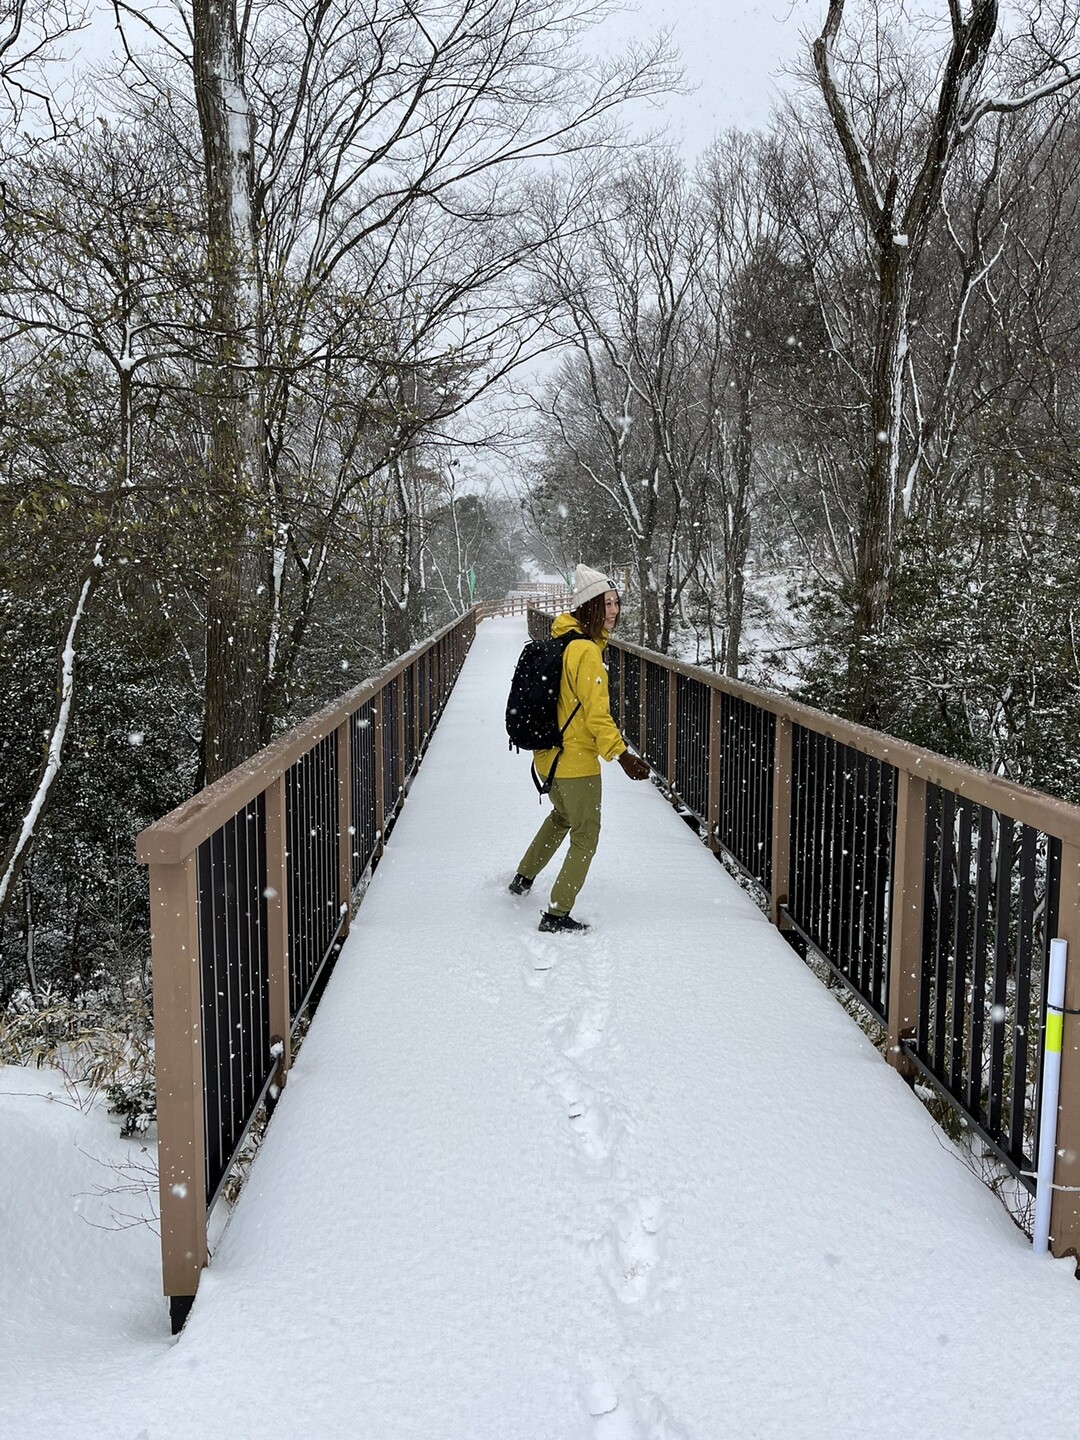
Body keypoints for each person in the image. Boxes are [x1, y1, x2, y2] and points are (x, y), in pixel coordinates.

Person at [508, 564, 650, 933]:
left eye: (616, 602)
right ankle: (556, 914)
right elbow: (596, 715)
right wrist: (622, 755)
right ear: (588, 607)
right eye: (606, 604)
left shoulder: (562, 641)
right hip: (576, 764)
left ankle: (523, 878)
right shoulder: (586, 652)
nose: (614, 611)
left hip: (547, 757)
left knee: (561, 818)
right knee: (585, 835)